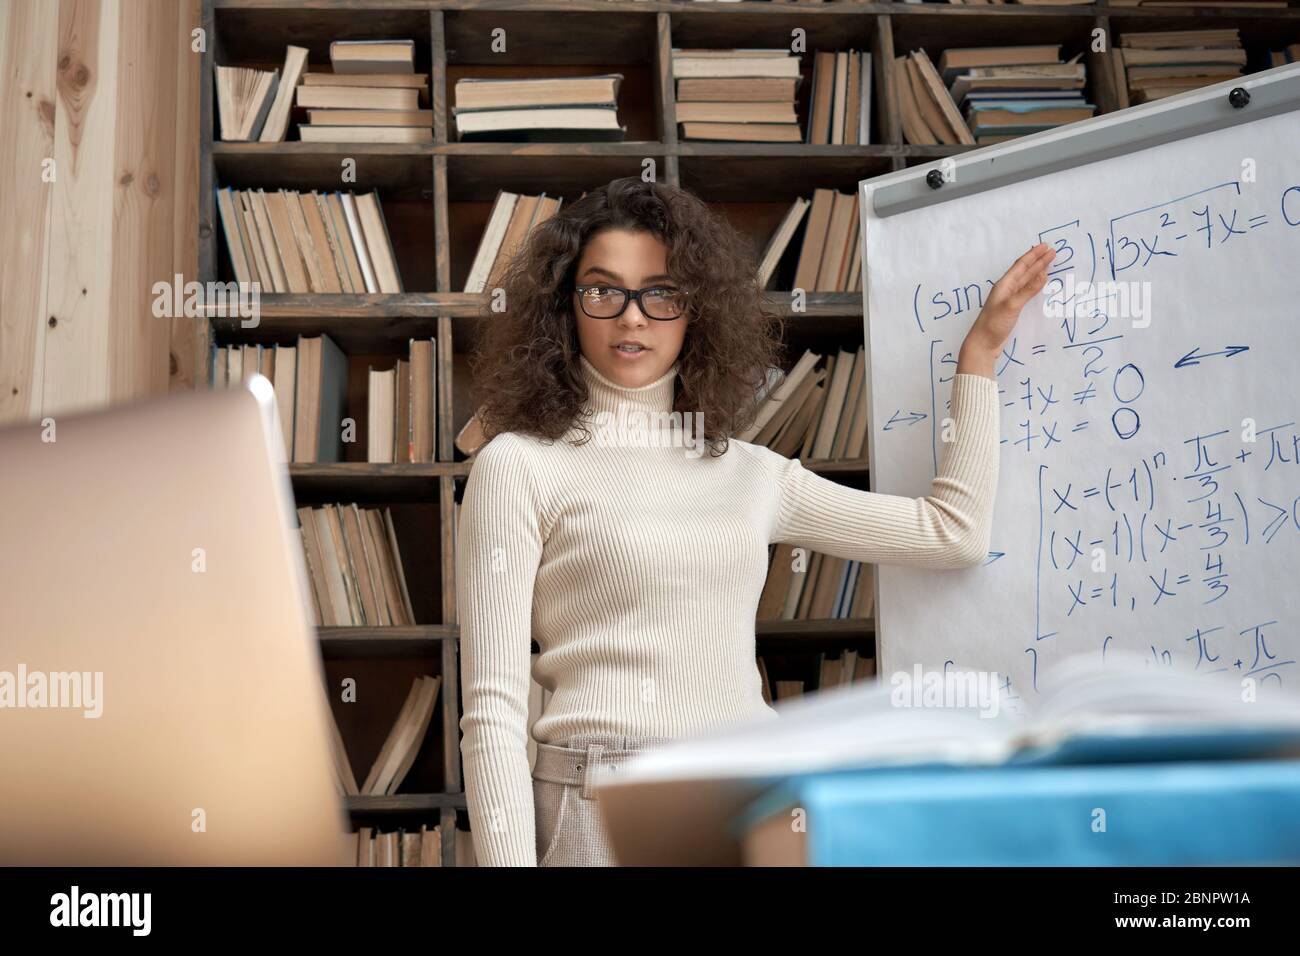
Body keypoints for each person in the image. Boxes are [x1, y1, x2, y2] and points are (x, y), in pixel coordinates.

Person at [455, 176, 1053, 866]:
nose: (632, 317)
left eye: (662, 292)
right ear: (566, 306)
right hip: (600, 802)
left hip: (749, 793)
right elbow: (493, 715)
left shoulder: (752, 473)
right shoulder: (518, 466)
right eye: (602, 289)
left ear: (696, 310)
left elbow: (954, 533)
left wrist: (978, 356)